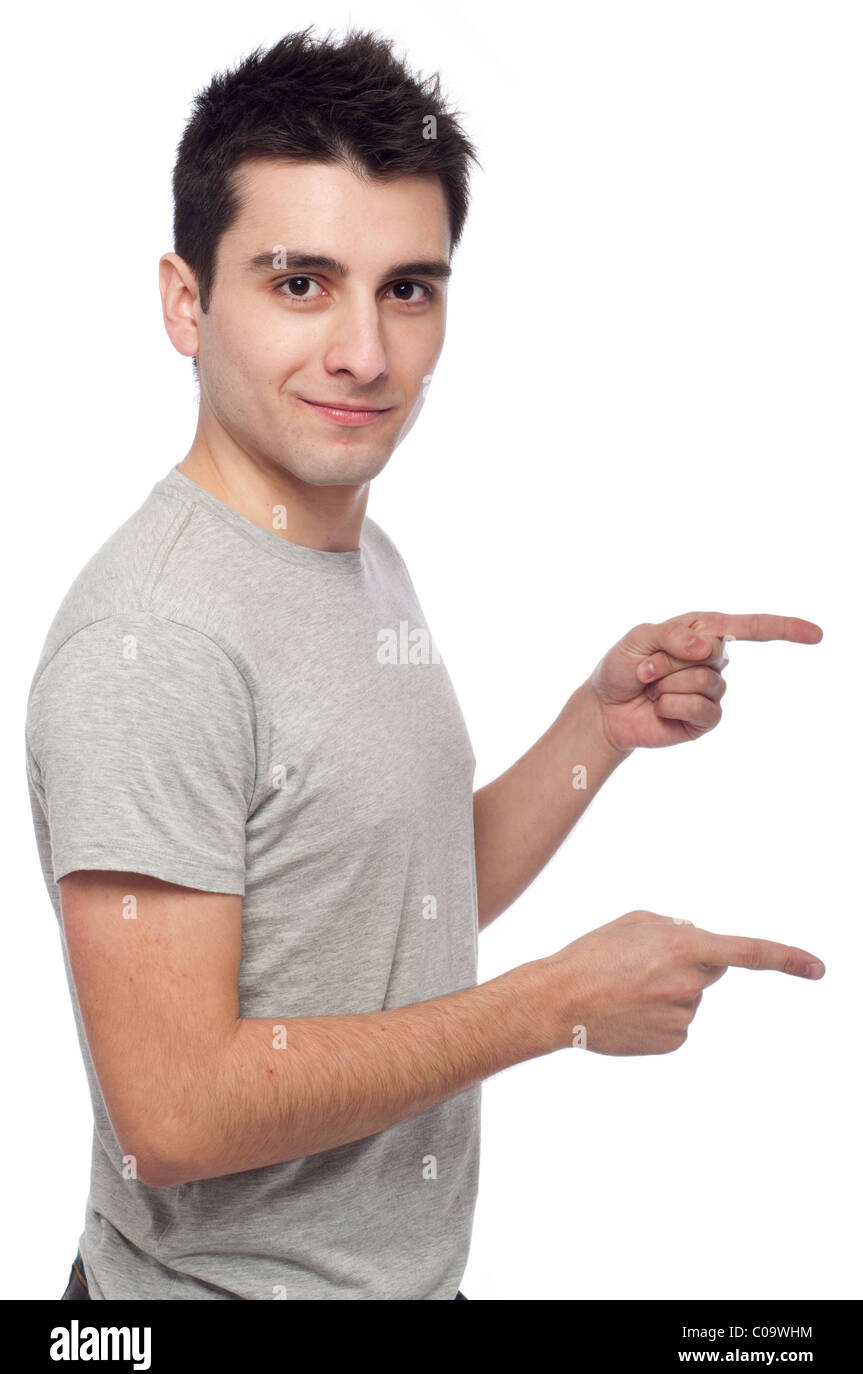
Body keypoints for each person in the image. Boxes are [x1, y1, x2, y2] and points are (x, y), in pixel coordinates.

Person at [27, 25, 825, 1302]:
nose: (363, 354)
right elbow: (171, 1113)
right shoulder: (154, 647)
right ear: (186, 301)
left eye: (406, 287)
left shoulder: (349, 548)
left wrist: (593, 730)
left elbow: (384, 909)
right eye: (299, 282)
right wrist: (552, 1005)